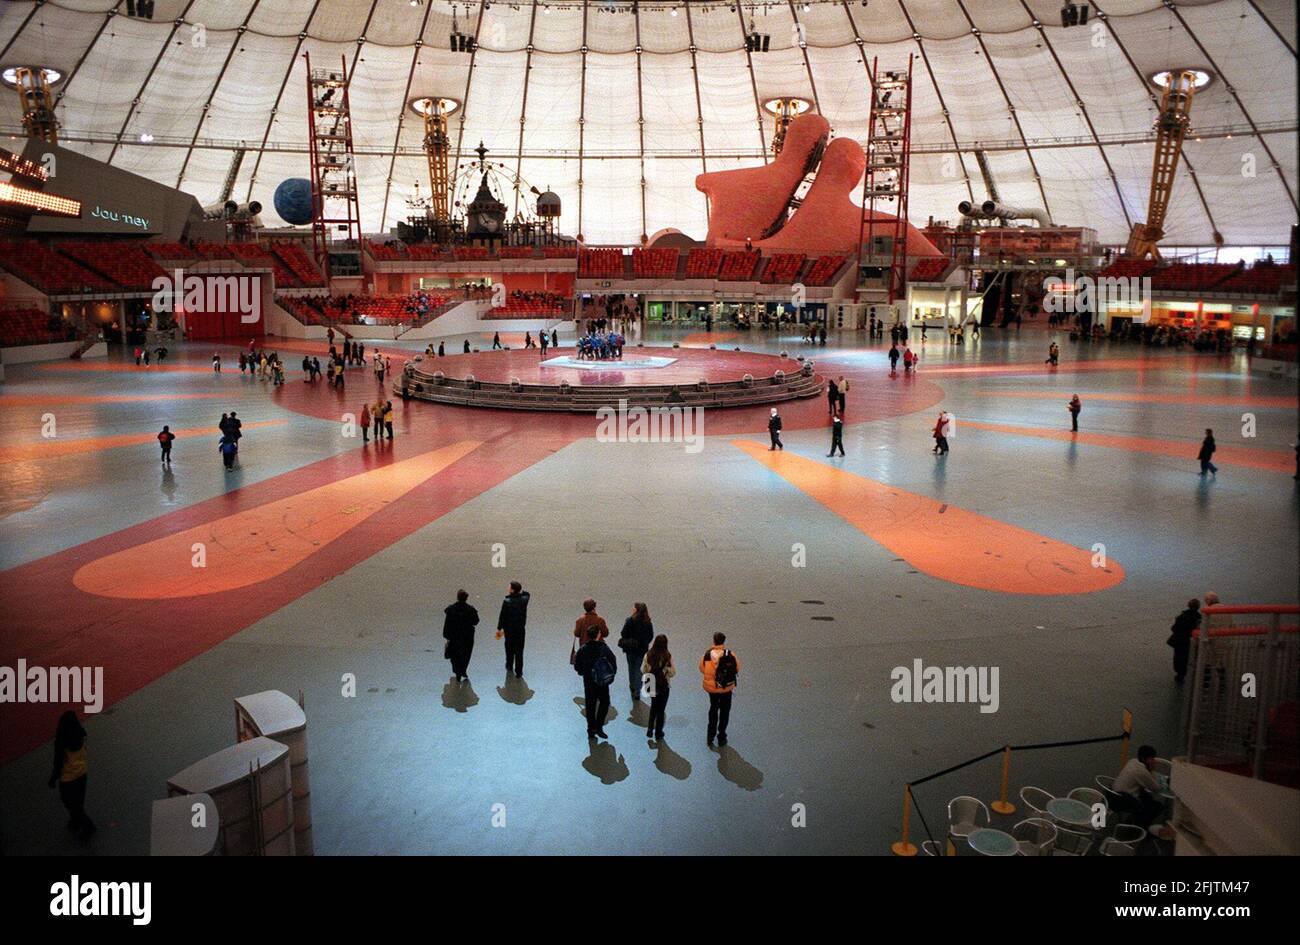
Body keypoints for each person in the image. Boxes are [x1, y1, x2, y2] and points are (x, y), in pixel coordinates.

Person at [48, 711, 95, 839]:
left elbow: (58, 763)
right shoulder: (82, 733)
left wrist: (53, 779)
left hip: (68, 778)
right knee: (78, 802)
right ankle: (76, 821)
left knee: (69, 802)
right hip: (82, 773)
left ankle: (86, 825)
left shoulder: (62, 742)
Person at [573, 626, 617, 739]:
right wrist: (612, 674)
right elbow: (613, 661)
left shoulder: (583, 649)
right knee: (604, 702)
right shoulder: (604, 648)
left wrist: (582, 672)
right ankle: (599, 726)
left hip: (588, 682)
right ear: (598, 634)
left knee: (590, 705)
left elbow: (577, 666)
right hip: (602, 682)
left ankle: (590, 729)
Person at [700, 631, 740, 746]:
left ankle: (710, 736)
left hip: (713, 689)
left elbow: (702, 669)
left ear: (714, 641)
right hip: (727, 688)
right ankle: (721, 735)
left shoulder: (707, 655)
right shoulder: (730, 654)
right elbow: (737, 668)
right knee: (725, 711)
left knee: (713, 709)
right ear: (723, 641)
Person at [1112, 745, 1166, 830]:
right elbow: (1156, 788)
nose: (1153, 761)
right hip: (1124, 800)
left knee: (1147, 797)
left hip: (1114, 794)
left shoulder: (1133, 761)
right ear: (1145, 759)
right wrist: (1152, 769)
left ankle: (1133, 824)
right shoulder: (1141, 771)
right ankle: (1138, 829)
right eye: (1152, 759)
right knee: (1157, 807)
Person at [617, 603, 654, 707]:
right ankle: (637, 691)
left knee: (631, 668)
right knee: (639, 669)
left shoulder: (630, 620)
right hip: (642, 649)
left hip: (630, 649)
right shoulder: (648, 622)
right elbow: (650, 636)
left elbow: (623, 633)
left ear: (637, 610)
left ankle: (632, 686)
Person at [442, 589, 479, 683]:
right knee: (466, 654)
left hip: (454, 635)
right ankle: (463, 670)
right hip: (467, 635)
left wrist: (446, 635)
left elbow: (447, 623)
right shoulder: (471, 609)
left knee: (454, 655)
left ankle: (457, 670)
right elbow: (476, 621)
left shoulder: (451, 609)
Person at [642, 634, 675, 740]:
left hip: (651, 684)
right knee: (661, 710)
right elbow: (672, 673)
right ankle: (659, 732)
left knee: (653, 707)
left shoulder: (648, 655)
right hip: (663, 685)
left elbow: (643, 670)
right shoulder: (667, 656)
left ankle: (650, 729)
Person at [497, 581, 530, 676]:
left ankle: (509, 665)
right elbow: (527, 593)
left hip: (509, 630)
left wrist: (499, 628)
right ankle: (519, 671)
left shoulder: (507, 602)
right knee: (519, 650)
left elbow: (502, 616)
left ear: (512, 590)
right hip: (520, 630)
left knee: (509, 649)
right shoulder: (524, 600)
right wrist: (520, 592)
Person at [1168, 598, 1201, 684]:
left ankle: (1180, 674)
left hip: (1180, 641)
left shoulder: (1181, 617)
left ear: (1188, 605)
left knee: (1179, 658)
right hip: (1192, 641)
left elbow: (1174, 628)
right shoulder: (1199, 618)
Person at [572, 598, 609, 664]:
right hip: (598, 649)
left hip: (584, 648)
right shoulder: (600, 620)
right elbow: (606, 634)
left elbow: (576, 634)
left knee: (586, 668)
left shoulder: (580, 620)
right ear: (594, 607)